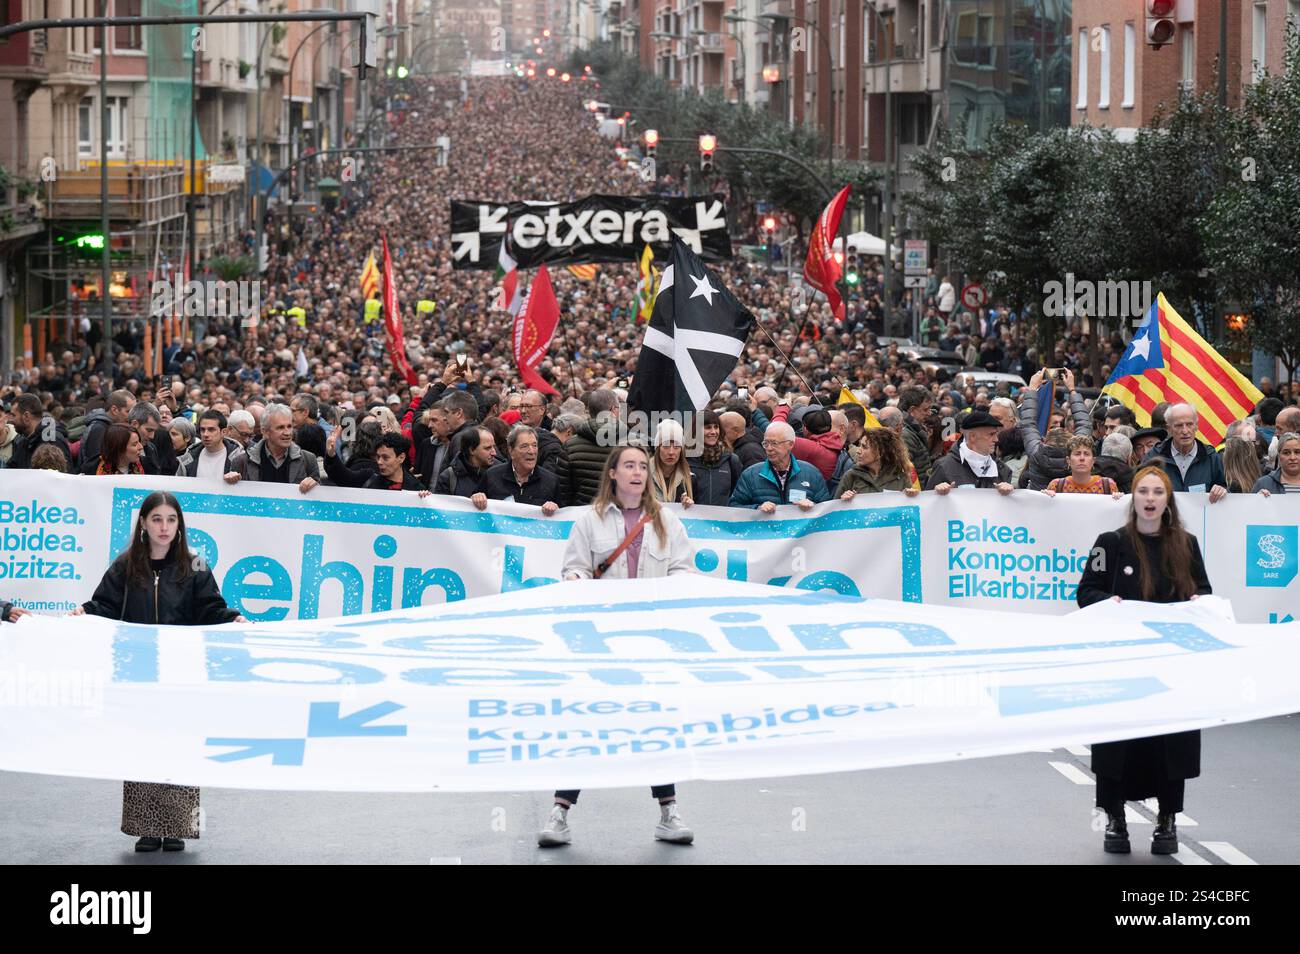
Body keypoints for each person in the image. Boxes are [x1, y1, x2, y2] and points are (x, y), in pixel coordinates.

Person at [70, 491, 245, 851]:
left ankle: (177, 825)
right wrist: (84, 612)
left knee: (179, 743)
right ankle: (147, 826)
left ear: (179, 525)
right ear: (143, 524)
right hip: (139, 671)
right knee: (143, 743)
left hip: (183, 671)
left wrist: (232, 618)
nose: (164, 527)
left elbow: (211, 608)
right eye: (156, 520)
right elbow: (104, 604)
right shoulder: (125, 565)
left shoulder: (195, 564)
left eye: (171, 520)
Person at [540, 444, 694, 848]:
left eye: (643, 466)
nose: (638, 472)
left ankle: (668, 812)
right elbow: (573, 566)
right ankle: (559, 813)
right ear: (613, 473)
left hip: (650, 638)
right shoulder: (589, 521)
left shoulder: (667, 522)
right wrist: (575, 582)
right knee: (587, 722)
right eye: (629, 465)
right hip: (602, 640)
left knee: (655, 723)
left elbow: (683, 570)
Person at [1076, 466, 1212, 855]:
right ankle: (1115, 820)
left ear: (1167, 500)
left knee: (1173, 741)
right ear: (1132, 497)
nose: (1150, 499)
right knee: (1116, 742)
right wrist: (1109, 602)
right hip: (1121, 661)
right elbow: (1086, 590)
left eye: (1157, 492)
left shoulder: (1185, 544)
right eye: (1143, 492)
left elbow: (1202, 590)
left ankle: (1167, 818)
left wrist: (1199, 603)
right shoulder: (1110, 543)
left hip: (1171, 661)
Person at [730, 421, 831, 511]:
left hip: (799, 531)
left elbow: (826, 510)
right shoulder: (751, 474)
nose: (769, 448)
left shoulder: (811, 473)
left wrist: (812, 506)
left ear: (790, 444)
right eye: (766, 443)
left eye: (774, 443)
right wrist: (757, 508)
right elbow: (734, 507)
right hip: (765, 531)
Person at [1017, 370, 1092, 490]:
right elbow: (1084, 424)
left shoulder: (1036, 453)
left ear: (1044, 441)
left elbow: (1027, 423)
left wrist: (1032, 388)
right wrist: (1072, 390)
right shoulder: (1076, 455)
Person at [224, 403, 321, 493]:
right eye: (280, 427)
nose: (287, 432)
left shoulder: (308, 459)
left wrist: (315, 485)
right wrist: (230, 482)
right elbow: (234, 498)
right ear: (265, 432)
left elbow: (317, 499)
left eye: (289, 426)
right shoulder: (242, 461)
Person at [1142, 403, 1227, 500]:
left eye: (1189, 424)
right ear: (1169, 428)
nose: (1185, 431)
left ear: (1196, 426)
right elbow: (1139, 490)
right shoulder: (1153, 457)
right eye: (1179, 425)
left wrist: (1222, 490)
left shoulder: (1211, 458)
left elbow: (1227, 489)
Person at [472, 425, 561, 512]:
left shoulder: (551, 481)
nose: (532, 451)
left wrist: (555, 509)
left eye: (534, 445)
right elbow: (473, 509)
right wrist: (477, 498)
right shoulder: (492, 476)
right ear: (511, 451)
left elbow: (563, 518)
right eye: (525, 446)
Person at [926, 411, 1014, 494]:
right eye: (991, 434)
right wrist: (936, 492)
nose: (996, 439)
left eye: (996, 434)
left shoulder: (1002, 470)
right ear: (972, 436)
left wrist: (1009, 495)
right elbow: (928, 504)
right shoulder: (944, 467)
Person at [836, 427, 919, 498]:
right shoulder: (851, 476)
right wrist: (844, 501)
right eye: (859, 445)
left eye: (864, 447)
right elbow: (834, 510)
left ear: (880, 452)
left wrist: (911, 498)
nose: (858, 451)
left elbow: (909, 512)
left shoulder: (901, 476)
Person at [688, 409, 744, 507]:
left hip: (722, 521)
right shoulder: (685, 460)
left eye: (716, 427)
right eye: (708, 427)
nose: (713, 432)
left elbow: (739, 495)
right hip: (691, 521)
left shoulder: (731, 460)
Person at [1042, 434, 1123, 497]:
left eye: (1087, 454)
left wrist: (1118, 499)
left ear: (1093, 461)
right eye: (1077, 454)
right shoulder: (1056, 486)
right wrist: (1045, 499)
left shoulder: (1108, 485)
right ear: (1068, 460)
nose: (1082, 458)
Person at [78, 388, 136, 474]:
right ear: (114, 410)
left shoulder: (111, 427)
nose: (132, 417)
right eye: (128, 411)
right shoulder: (98, 430)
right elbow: (96, 465)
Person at [433, 425, 495, 497]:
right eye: (487, 448)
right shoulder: (449, 477)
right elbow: (440, 504)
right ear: (471, 450)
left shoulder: (500, 473)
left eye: (494, 447)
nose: (494, 453)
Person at [178, 410, 240, 479]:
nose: (205, 434)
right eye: (202, 430)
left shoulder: (238, 458)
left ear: (223, 432)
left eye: (211, 430)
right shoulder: (187, 459)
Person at [649, 419, 694, 505]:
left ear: (681, 450)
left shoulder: (690, 480)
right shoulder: (643, 476)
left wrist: (690, 506)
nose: (671, 452)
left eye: (677, 446)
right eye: (666, 446)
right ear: (658, 448)